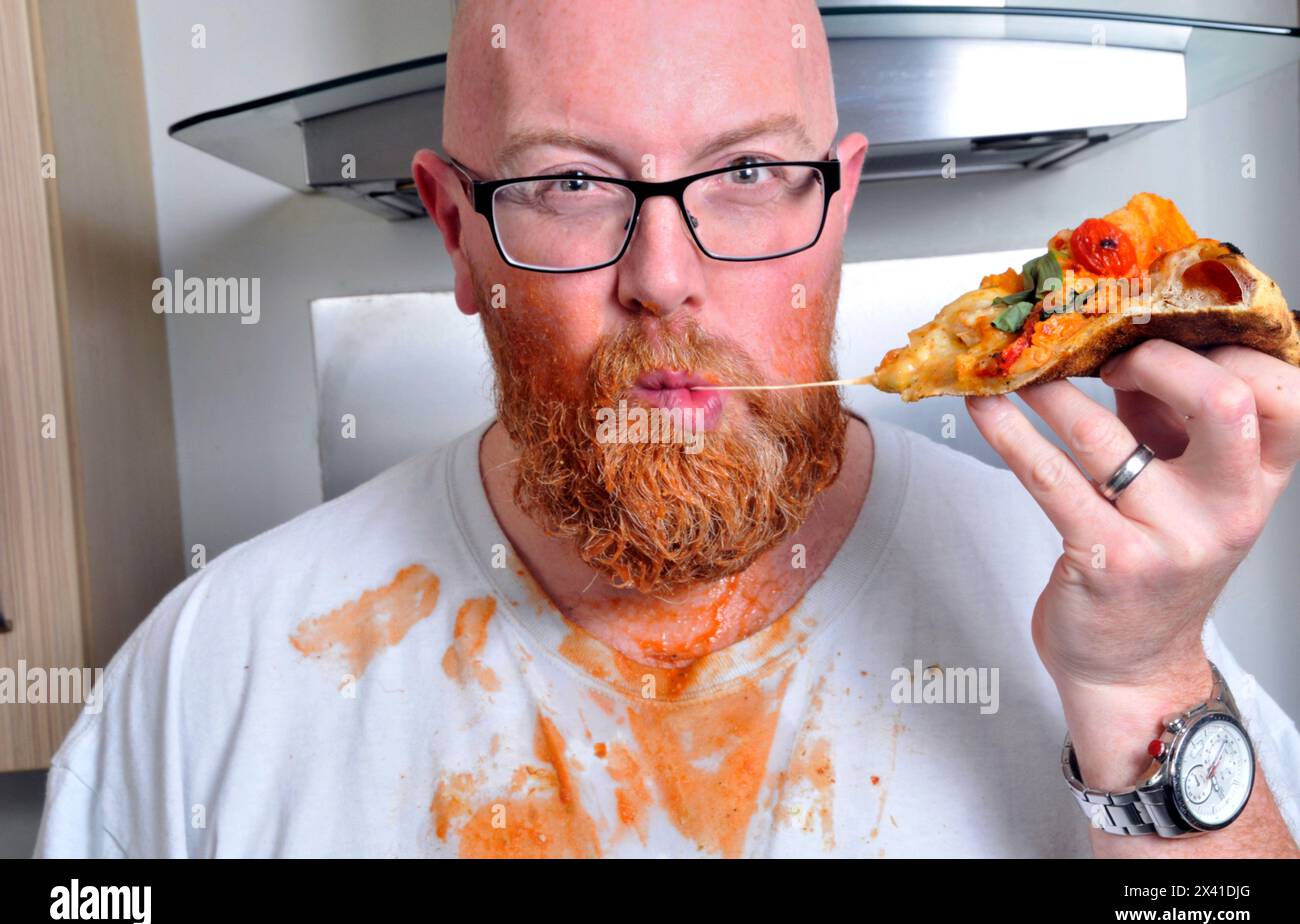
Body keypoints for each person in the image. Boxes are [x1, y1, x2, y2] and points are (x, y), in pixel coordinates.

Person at [35, 0, 1300, 858]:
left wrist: (1139, 687)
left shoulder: (1112, 621)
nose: (662, 276)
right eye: (570, 183)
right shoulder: (211, 677)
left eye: (746, 173)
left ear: (839, 202)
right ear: (454, 230)